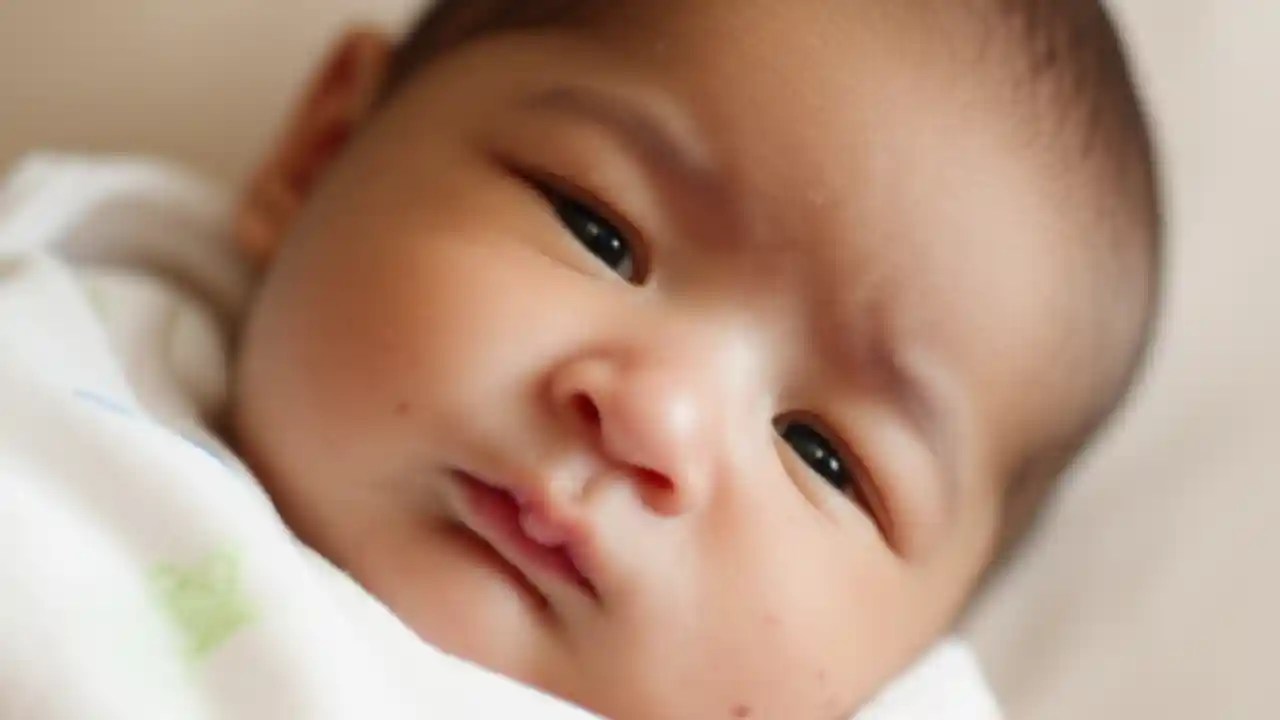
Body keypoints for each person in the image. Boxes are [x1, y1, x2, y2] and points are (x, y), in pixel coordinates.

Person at [5, 1, 1162, 717]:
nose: (653, 419)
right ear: (321, 153)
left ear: (908, 652)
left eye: (821, 455)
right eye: (596, 230)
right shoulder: (51, 388)